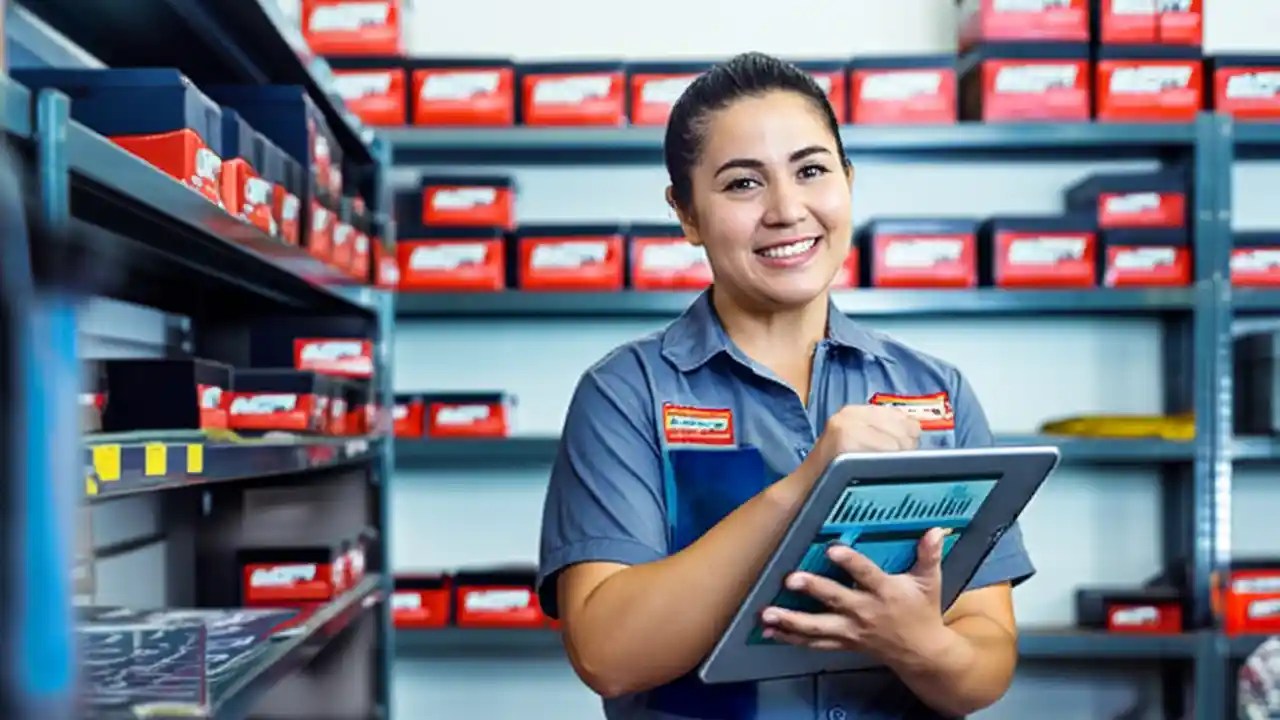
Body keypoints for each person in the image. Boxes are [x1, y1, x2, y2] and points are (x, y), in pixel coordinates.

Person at [537, 51, 1034, 720]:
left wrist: (918, 646)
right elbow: (607, 655)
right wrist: (804, 488)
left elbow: (988, 659)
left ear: (848, 182)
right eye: (743, 184)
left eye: (811, 171)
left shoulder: (936, 390)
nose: (787, 209)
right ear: (686, 214)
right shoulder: (627, 394)